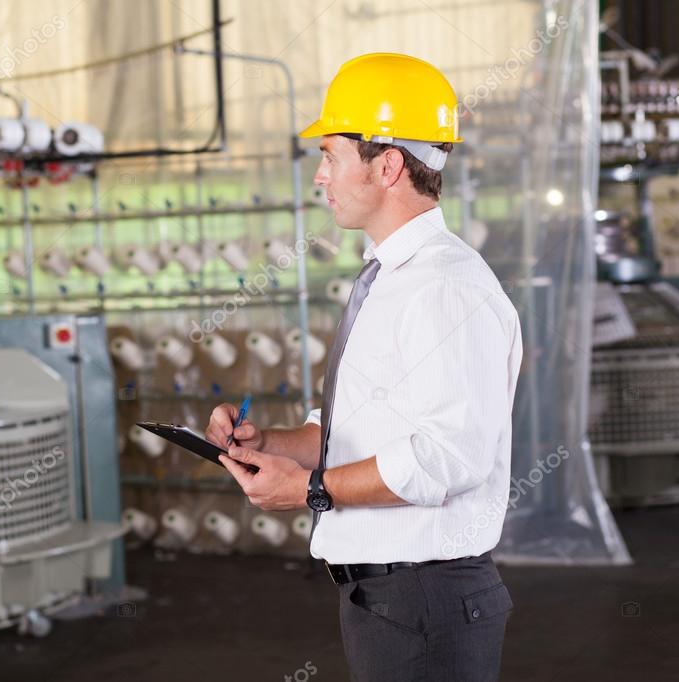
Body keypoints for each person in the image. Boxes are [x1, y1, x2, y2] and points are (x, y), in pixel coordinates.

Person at [205, 53, 523, 682]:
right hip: (388, 600)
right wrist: (270, 443)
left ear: (387, 165)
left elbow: (448, 457)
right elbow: (355, 429)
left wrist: (308, 490)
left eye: (330, 156)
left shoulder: (444, 287)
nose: (320, 178)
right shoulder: (391, 278)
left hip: (425, 602)